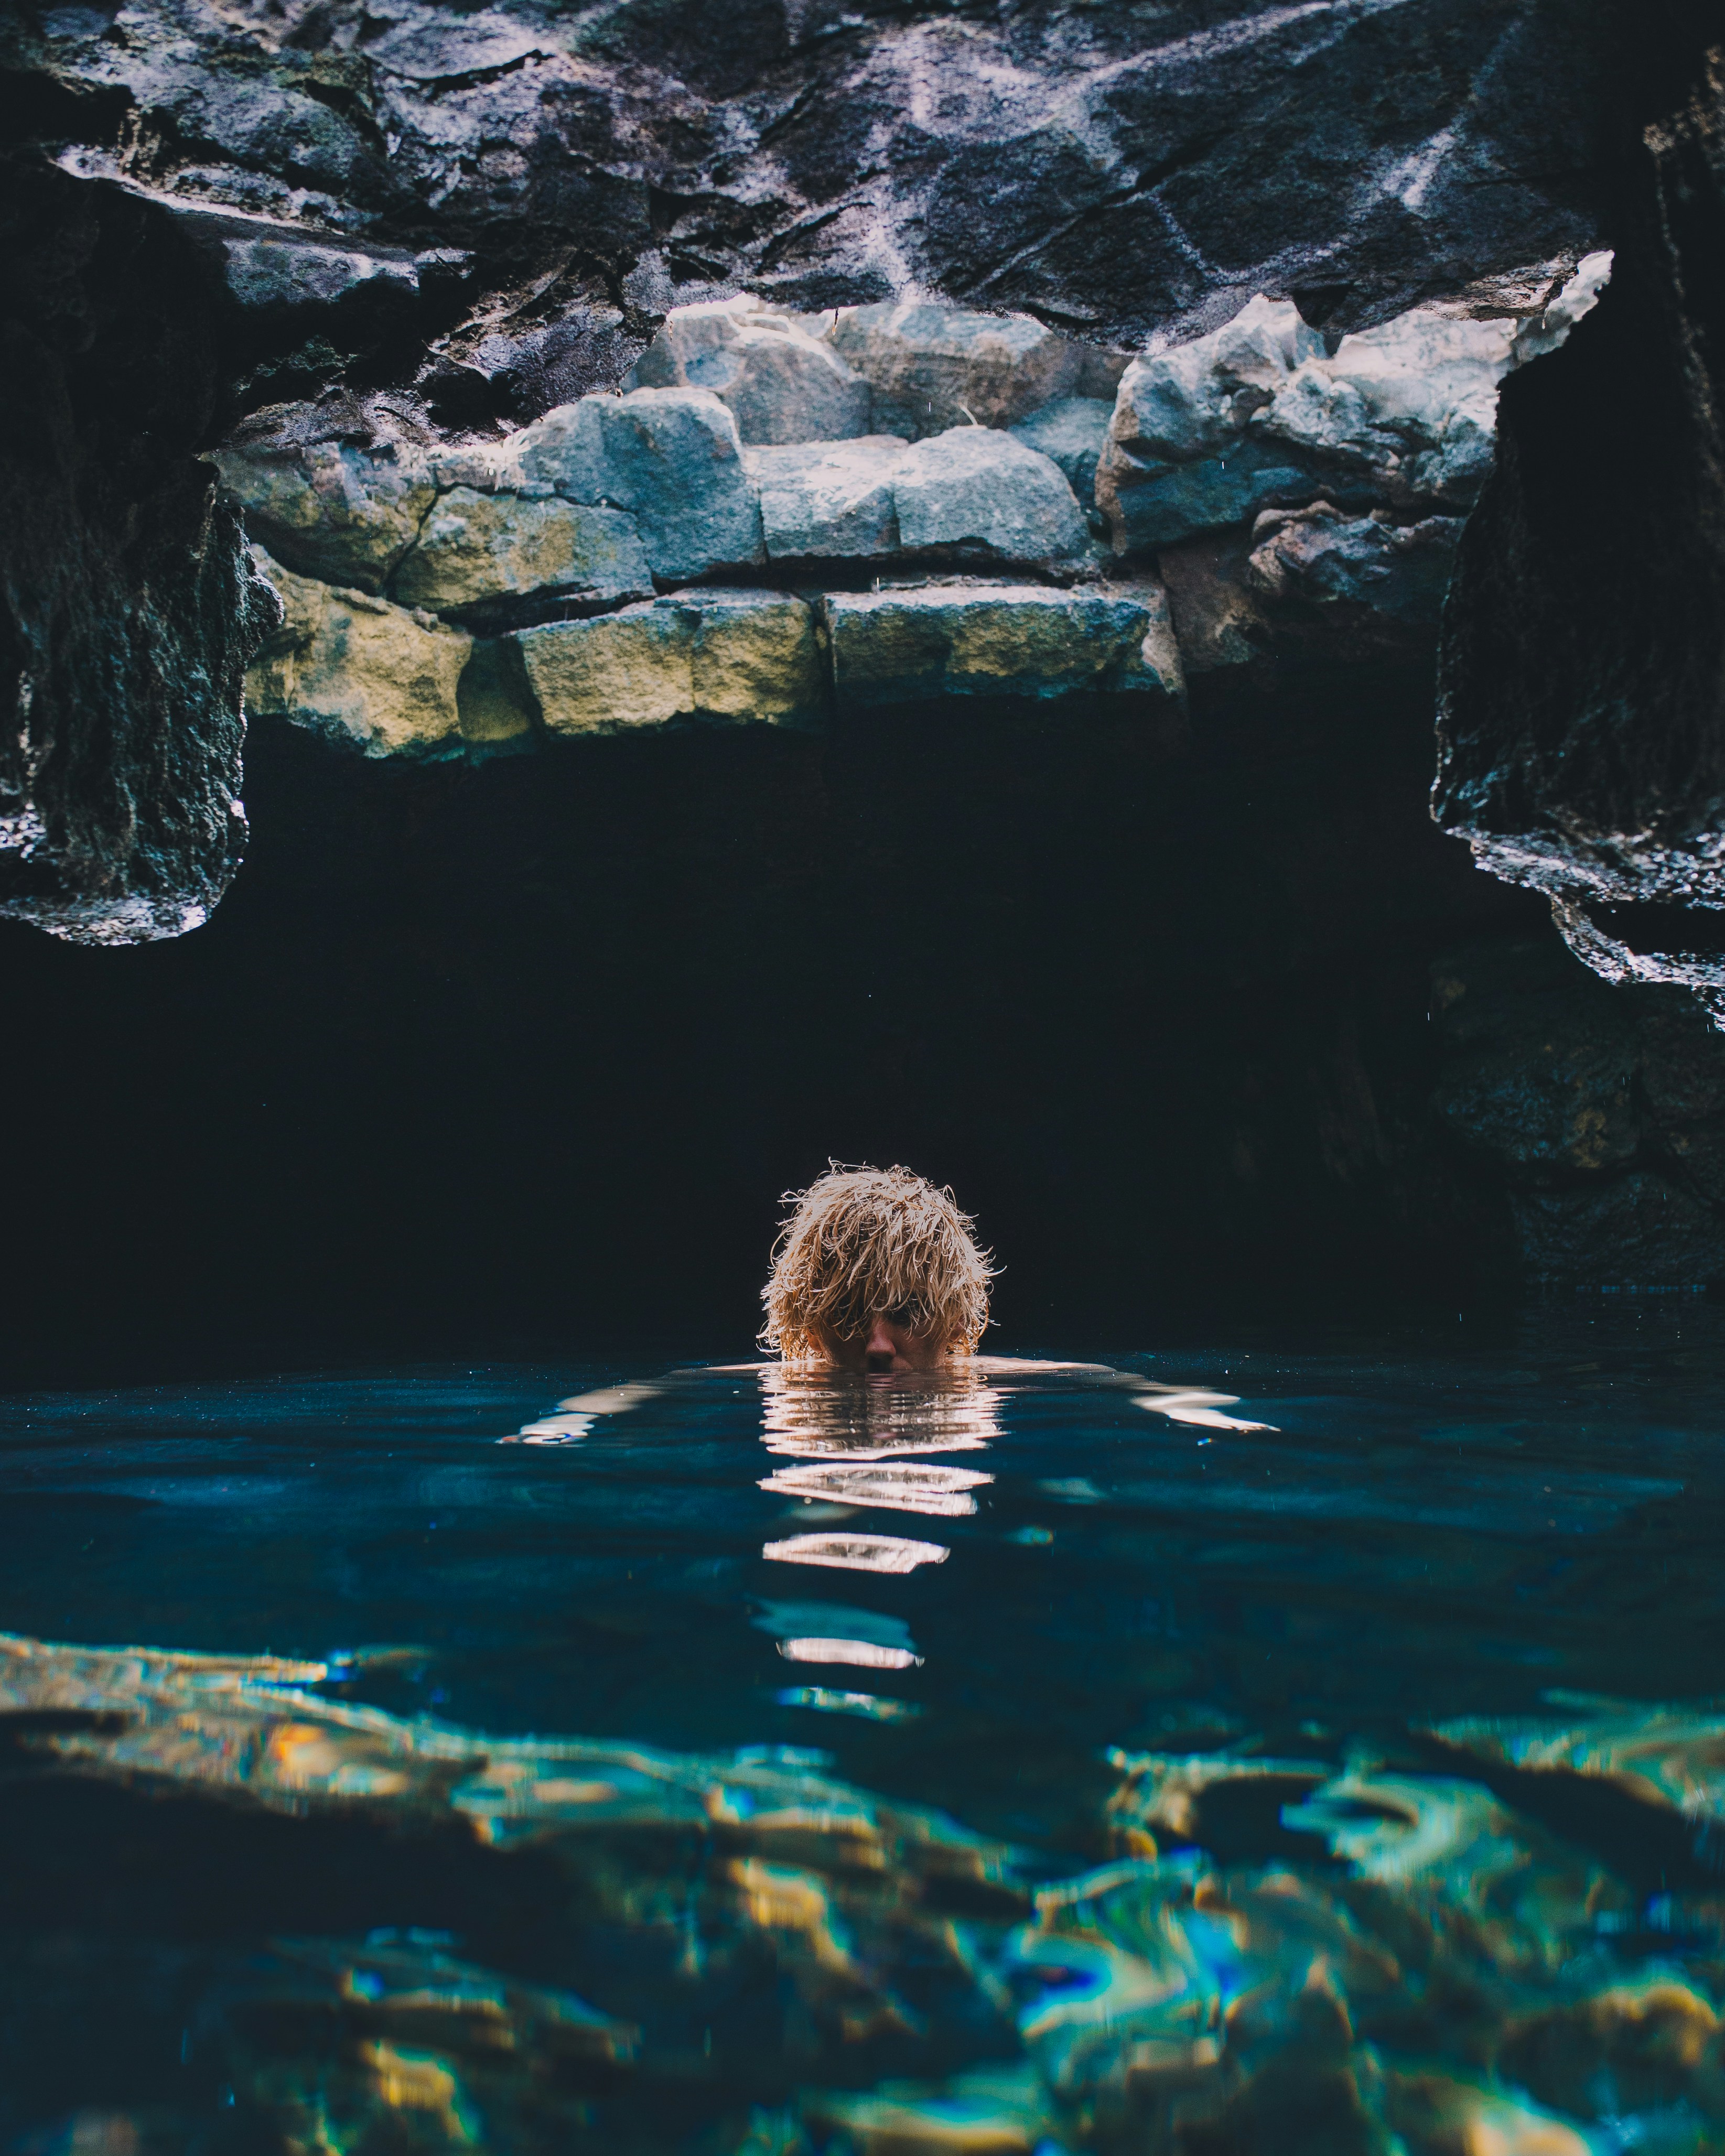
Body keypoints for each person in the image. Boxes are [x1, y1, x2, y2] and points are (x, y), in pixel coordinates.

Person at [512, 1163, 1272, 1437]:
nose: (878, 1347)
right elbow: (644, 1390)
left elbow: (1115, 1382)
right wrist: (564, 1423)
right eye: (850, 1317)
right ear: (807, 1319)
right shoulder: (787, 1381)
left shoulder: (987, 1378)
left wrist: (1203, 1411)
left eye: (904, 1315)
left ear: (953, 1315)